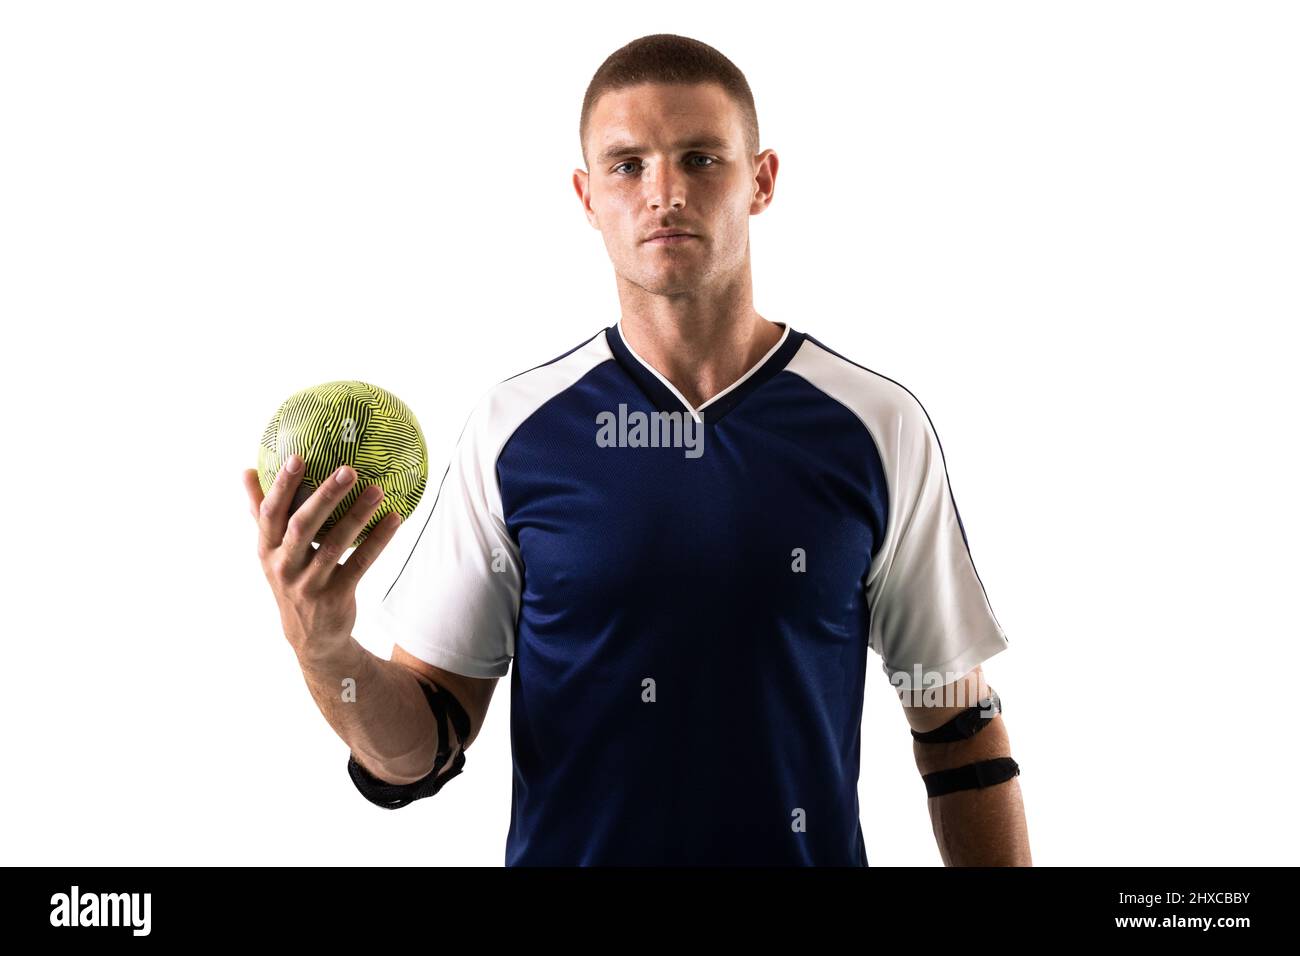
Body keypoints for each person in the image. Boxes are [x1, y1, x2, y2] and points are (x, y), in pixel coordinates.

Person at [243, 33, 1031, 866]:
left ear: (760, 180)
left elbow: (959, 732)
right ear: (586, 195)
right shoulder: (516, 432)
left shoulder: (876, 425)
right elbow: (417, 753)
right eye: (627, 166)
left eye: (700, 159)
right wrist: (325, 649)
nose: (665, 194)